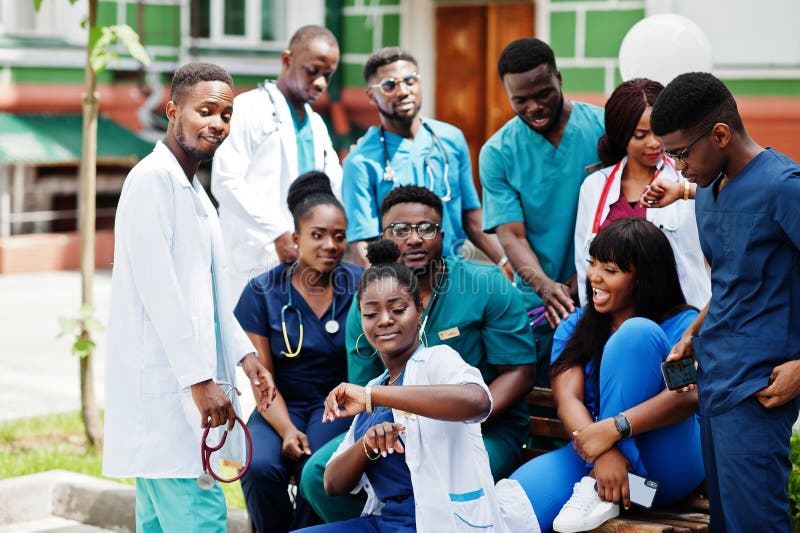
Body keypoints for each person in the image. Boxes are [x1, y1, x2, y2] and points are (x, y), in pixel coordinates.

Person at [102, 62, 276, 532]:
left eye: (225, 114)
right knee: (199, 519)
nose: (217, 124)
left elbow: (212, 295)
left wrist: (245, 357)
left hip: (176, 400)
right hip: (171, 399)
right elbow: (161, 291)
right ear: (172, 109)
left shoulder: (194, 191)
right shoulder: (153, 181)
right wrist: (199, 380)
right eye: (205, 111)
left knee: (160, 523)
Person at [300, 185, 537, 523]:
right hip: (397, 428)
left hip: (485, 430)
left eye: (426, 228)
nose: (413, 239)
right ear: (382, 236)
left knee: (431, 474)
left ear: (442, 234)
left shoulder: (484, 284)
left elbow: (520, 372)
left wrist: (454, 422)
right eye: (400, 230)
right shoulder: (366, 303)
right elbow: (365, 387)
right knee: (317, 474)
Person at [650, 72, 800, 532]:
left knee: (755, 523)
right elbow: (734, 282)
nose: (677, 168)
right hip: (714, 382)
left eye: (681, 153)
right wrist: (694, 332)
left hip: (758, 388)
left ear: (720, 134)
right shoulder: (706, 190)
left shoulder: (785, 186)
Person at [510, 217, 704, 533]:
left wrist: (614, 431)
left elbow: (686, 398)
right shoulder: (575, 326)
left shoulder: (683, 325)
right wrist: (605, 455)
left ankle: (603, 484)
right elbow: (567, 399)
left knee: (636, 334)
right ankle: (602, 483)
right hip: (600, 464)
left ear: (644, 278)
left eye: (610, 270)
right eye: (593, 264)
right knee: (511, 506)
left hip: (663, 475)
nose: (594, 277)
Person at [232, 172, 363, 532]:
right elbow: (262, 379)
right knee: (258, 466)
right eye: (317, 235)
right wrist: (287, 429)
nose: (330, 245)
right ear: (296, 238)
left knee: (315, 469)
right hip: (278, 404)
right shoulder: (262, 291)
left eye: (338, 237)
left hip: (337, 406)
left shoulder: (361, 285)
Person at [479, 37, 605, 370]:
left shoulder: (603, 129)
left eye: (543, 93)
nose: (534, 107)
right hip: (536, 303)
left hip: (604, 290)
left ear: (559, 79)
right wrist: (545, 287)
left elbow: (622, 209)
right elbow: (511, 235)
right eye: (520, 100)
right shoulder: (497, 153)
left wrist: (590, 274)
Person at [342, 47, 509, 270]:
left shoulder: (451, 139)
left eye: (410, 80)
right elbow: (364, 245)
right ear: (372, 95)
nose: (403, 91)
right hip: (401, 280)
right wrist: (391, 293)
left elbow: (471, 215)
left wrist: (505, 261)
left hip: (453, 274)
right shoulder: (360, 162)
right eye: (389, 85)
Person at [212, 25, 343, 297]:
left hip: (308, 258)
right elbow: (225, 182)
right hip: (256, 255)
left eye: (327, 75)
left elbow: (334, 186)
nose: (320, 82)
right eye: (313, 70)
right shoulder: (249, 109)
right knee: (249, 336)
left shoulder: (316, 124)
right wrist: (279, 233)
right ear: (287, 60)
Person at [574, 78, 710, 309]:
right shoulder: (594, 186)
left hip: (679, 318)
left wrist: (685, 191)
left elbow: (732, 197)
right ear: (621, 134)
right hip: (612, 324)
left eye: (659, 132)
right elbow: (583, 263)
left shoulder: (688, 178)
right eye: (640, 135)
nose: (655, 143)